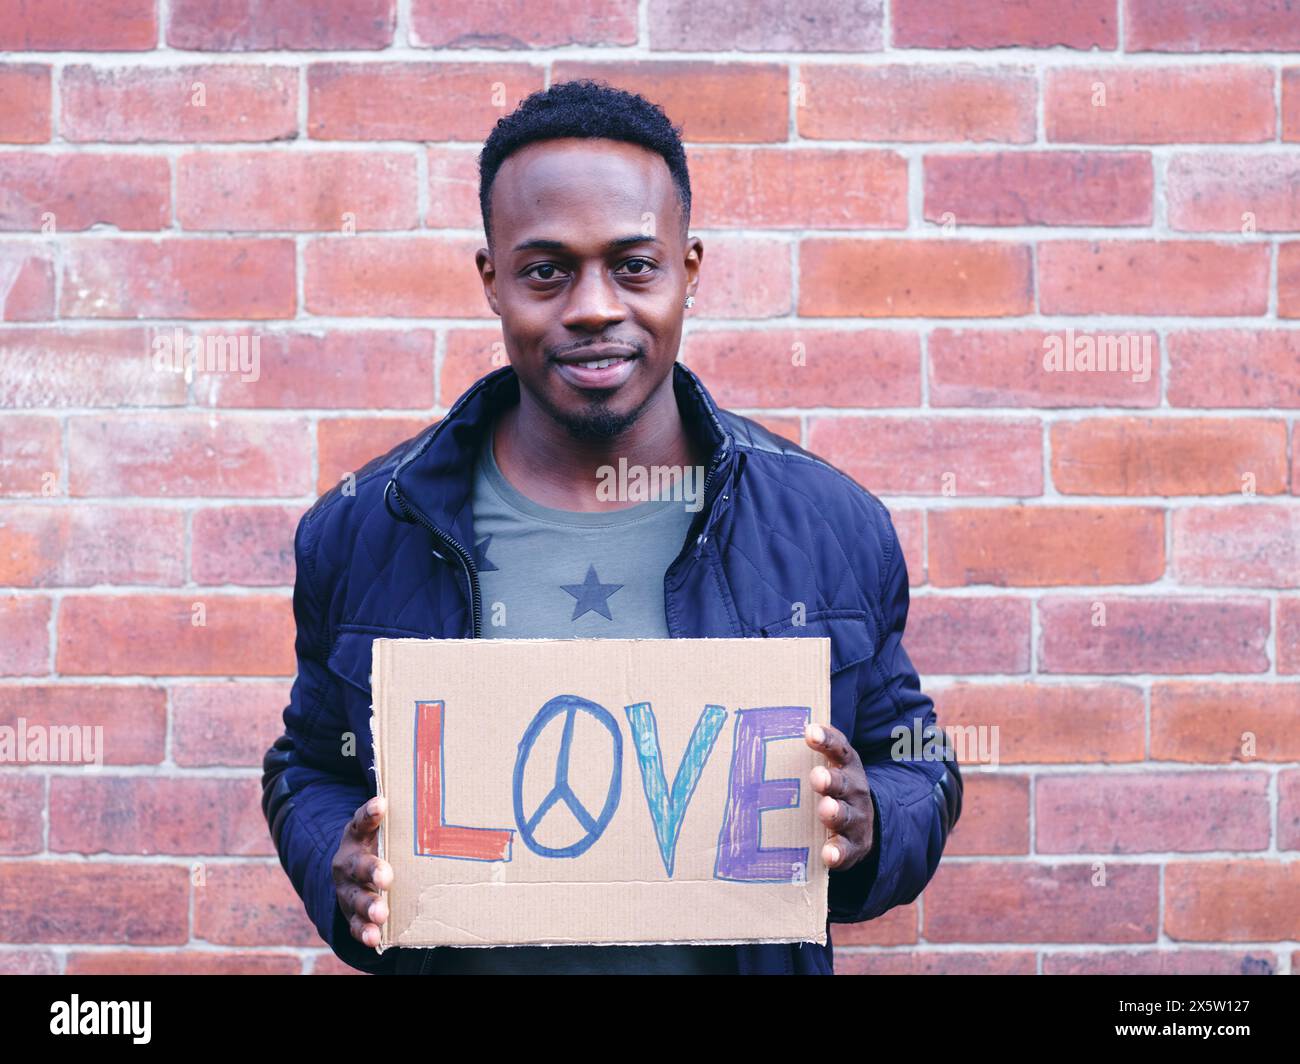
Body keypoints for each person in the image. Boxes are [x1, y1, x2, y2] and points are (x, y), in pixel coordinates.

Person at [262, 79, 962, 975]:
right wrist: (338, 865)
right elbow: (311, 765)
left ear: (689, 270)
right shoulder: (368, 527)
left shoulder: (826, 525)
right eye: (546, 269)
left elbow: (918, 763)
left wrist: (871, 824)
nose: (593, 306)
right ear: (492, 280)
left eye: (634, 265)